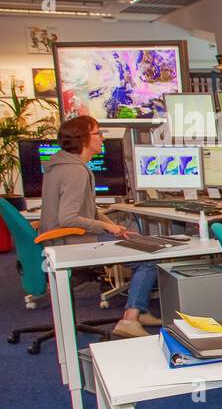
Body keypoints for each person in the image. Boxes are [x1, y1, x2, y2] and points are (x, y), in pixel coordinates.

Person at [39, 117, 159, 338]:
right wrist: (107, 227)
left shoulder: (59, 164)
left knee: (136, 241)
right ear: (84, 139)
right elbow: (68, 218)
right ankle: (130, 319)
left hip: (60, 239)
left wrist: (114, 227)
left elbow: (88, 209)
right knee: (147, 258)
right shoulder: (75, 171)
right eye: (98, 133)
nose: (102, 138)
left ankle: (138, 310)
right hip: (72, 241)